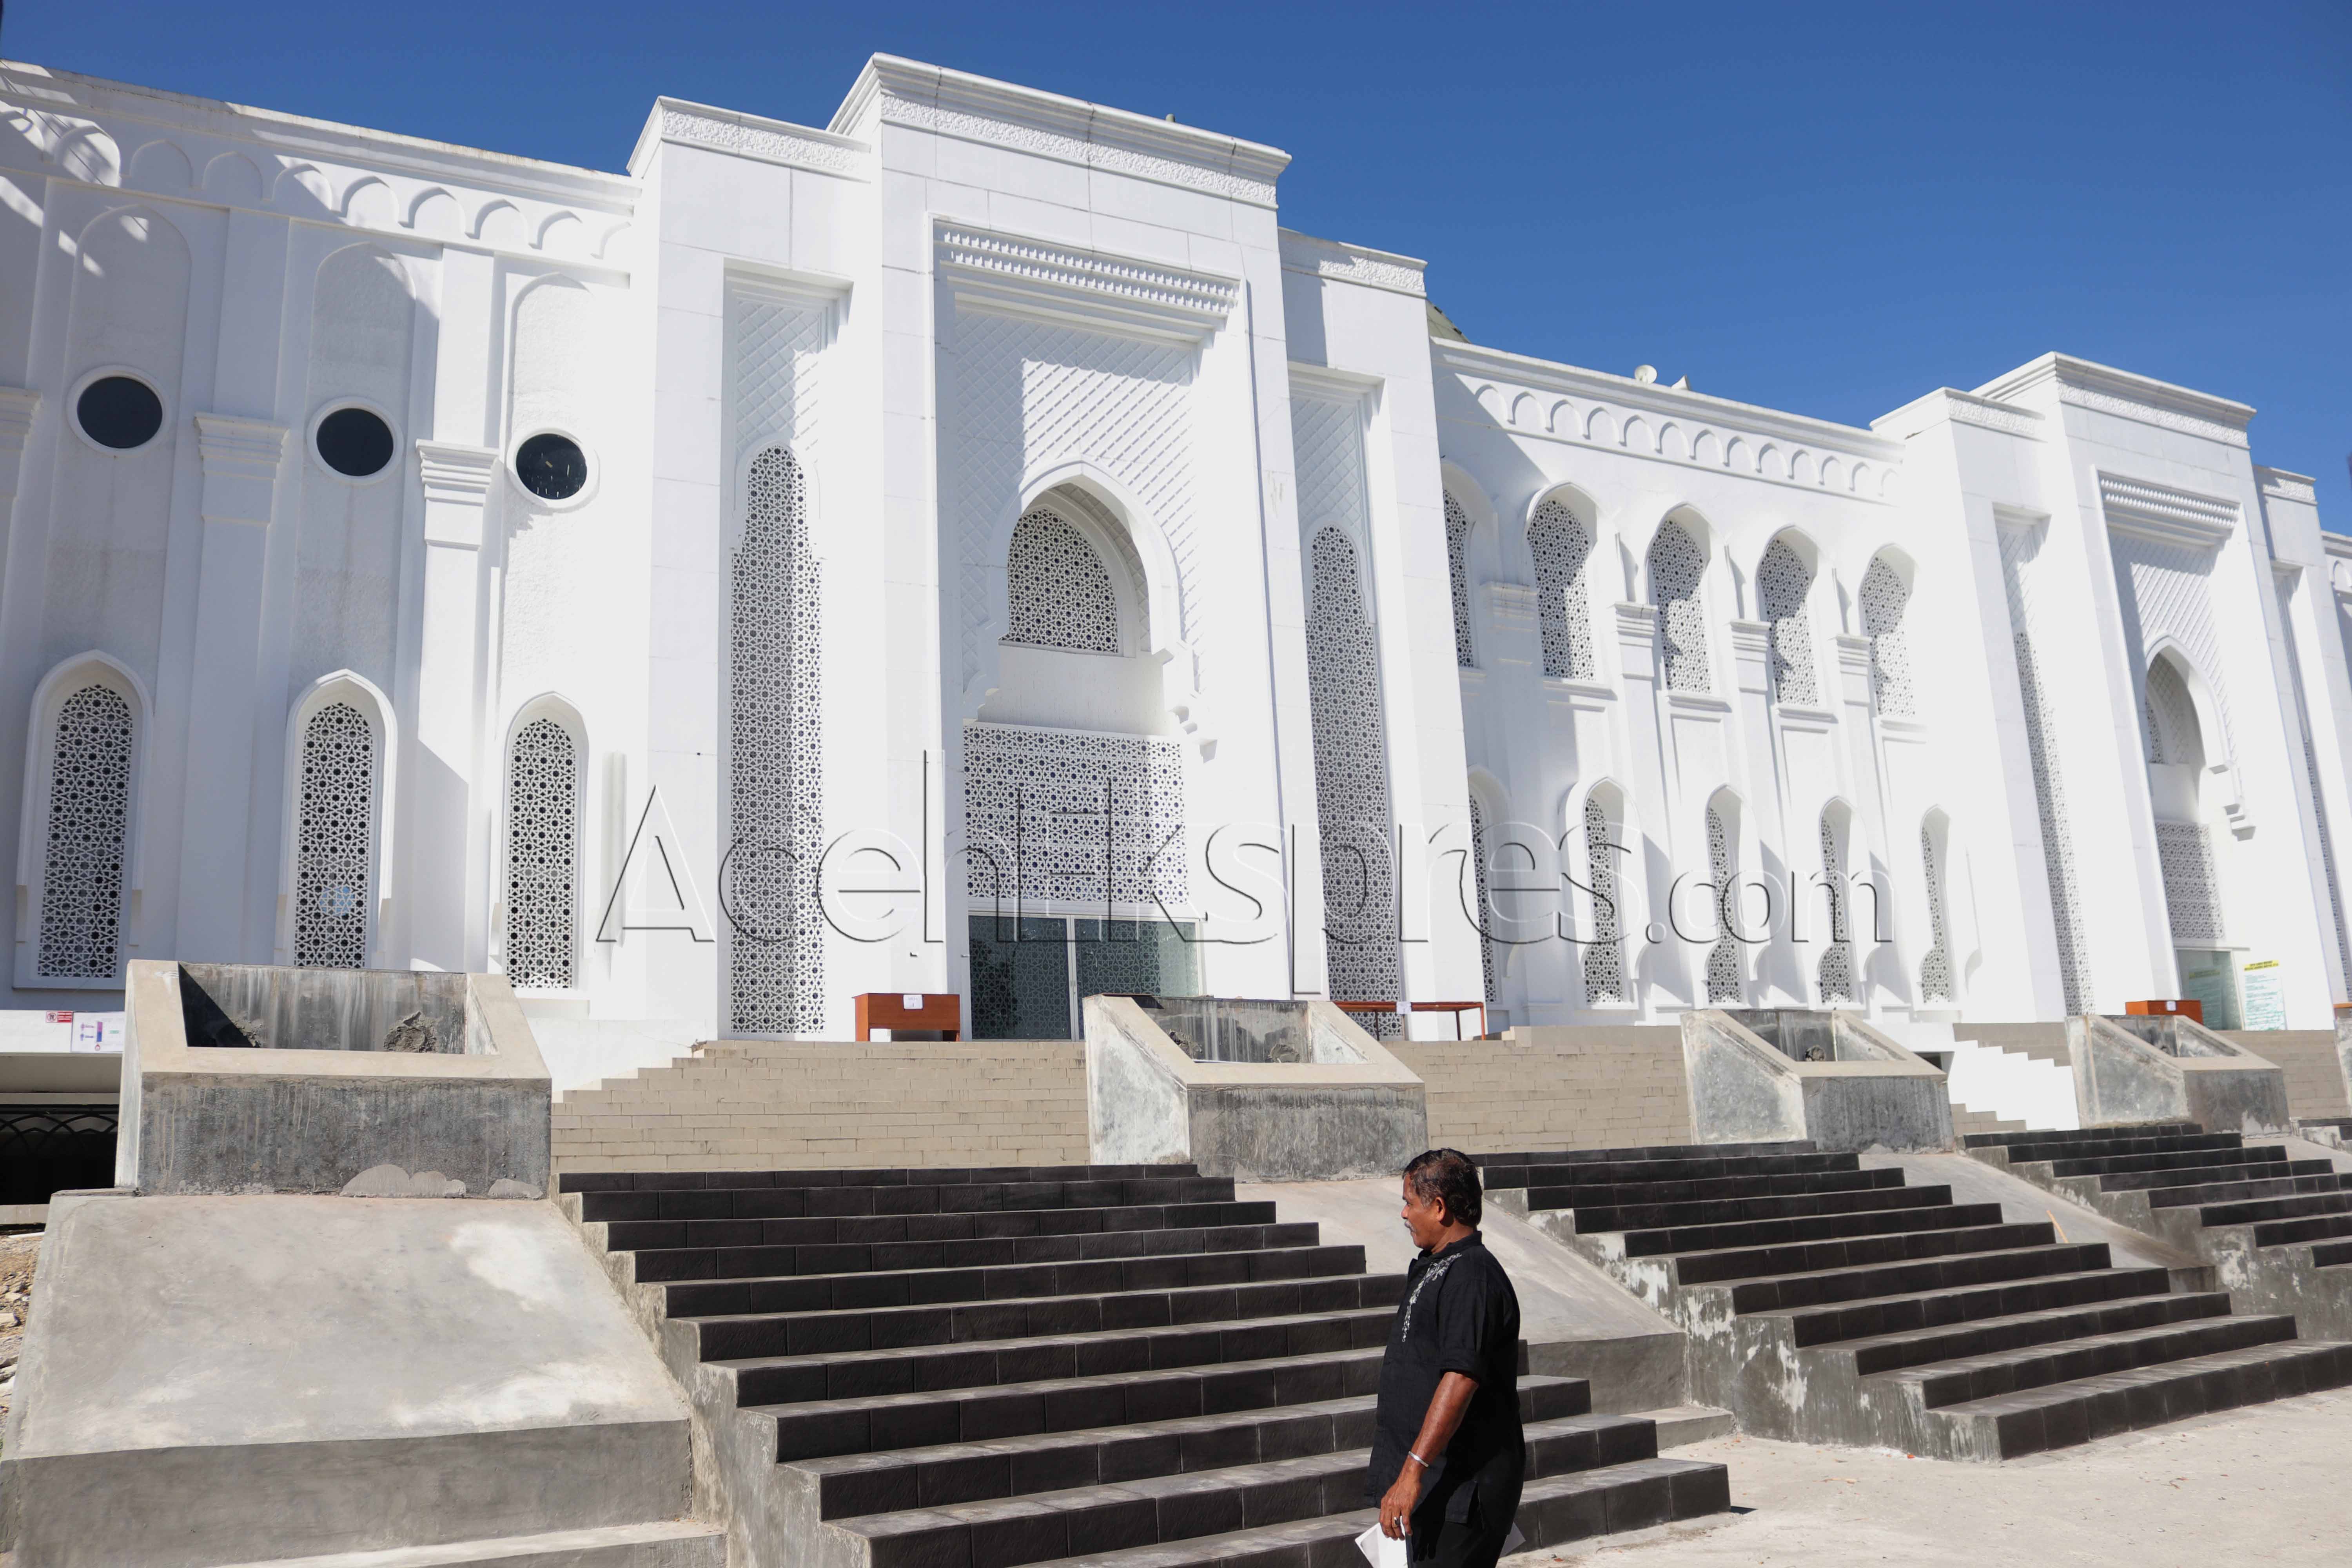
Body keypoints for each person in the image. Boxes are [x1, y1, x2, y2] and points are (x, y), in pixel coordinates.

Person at [1368, 1148, 1525, 1568]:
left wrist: (1412, 1472)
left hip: (1462, 1493)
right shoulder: (1442, 1266)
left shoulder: (1473, 1275)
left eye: (1409, 1203)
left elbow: (1461, 1377)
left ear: (1439, 1208)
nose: (1404, 1214)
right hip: (1435, 1488)